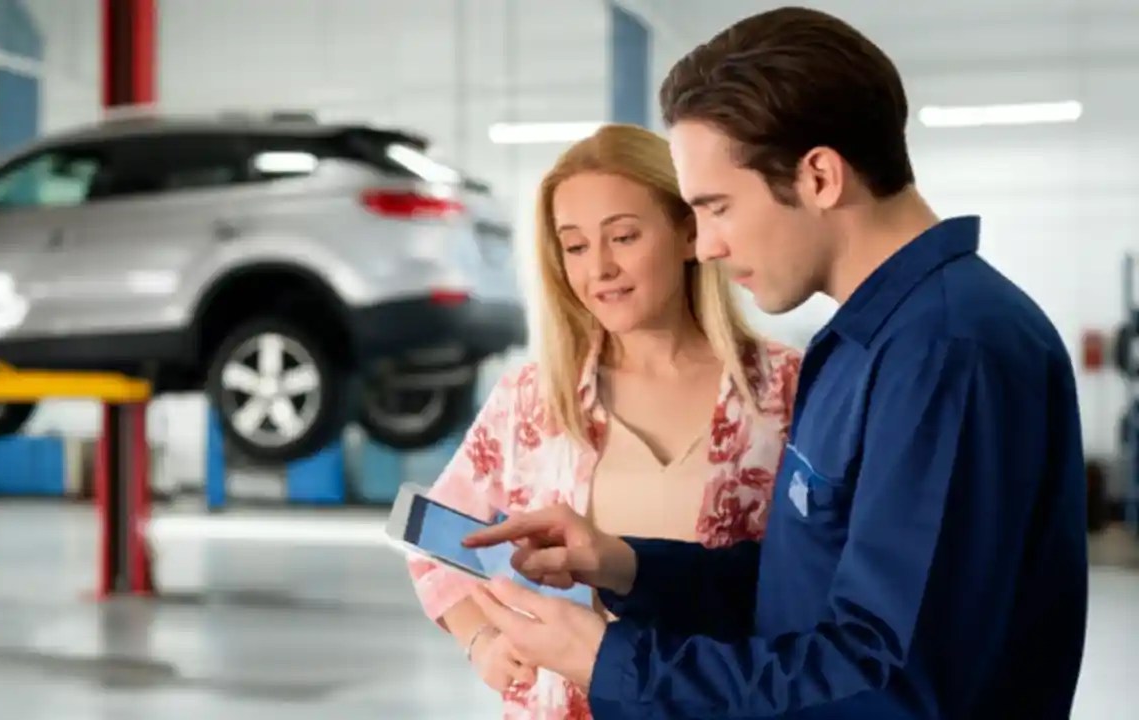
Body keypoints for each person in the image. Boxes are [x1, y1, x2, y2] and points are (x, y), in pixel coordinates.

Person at [462, 7, 1089, 720]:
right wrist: (626, 566)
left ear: (818, 176)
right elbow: (803, 591)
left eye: (717, 207)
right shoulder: (858, 345)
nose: (704, 247)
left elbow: (889, 683)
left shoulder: (945, 354)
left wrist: (614, 664)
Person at [405, 123, 802, 719]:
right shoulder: (533, 400)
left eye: (623, 236)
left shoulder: (785, 390)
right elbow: (433, 535)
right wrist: (480, 640)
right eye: (576, 246)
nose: (601, 268)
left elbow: (810, 583)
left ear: (687, 232)